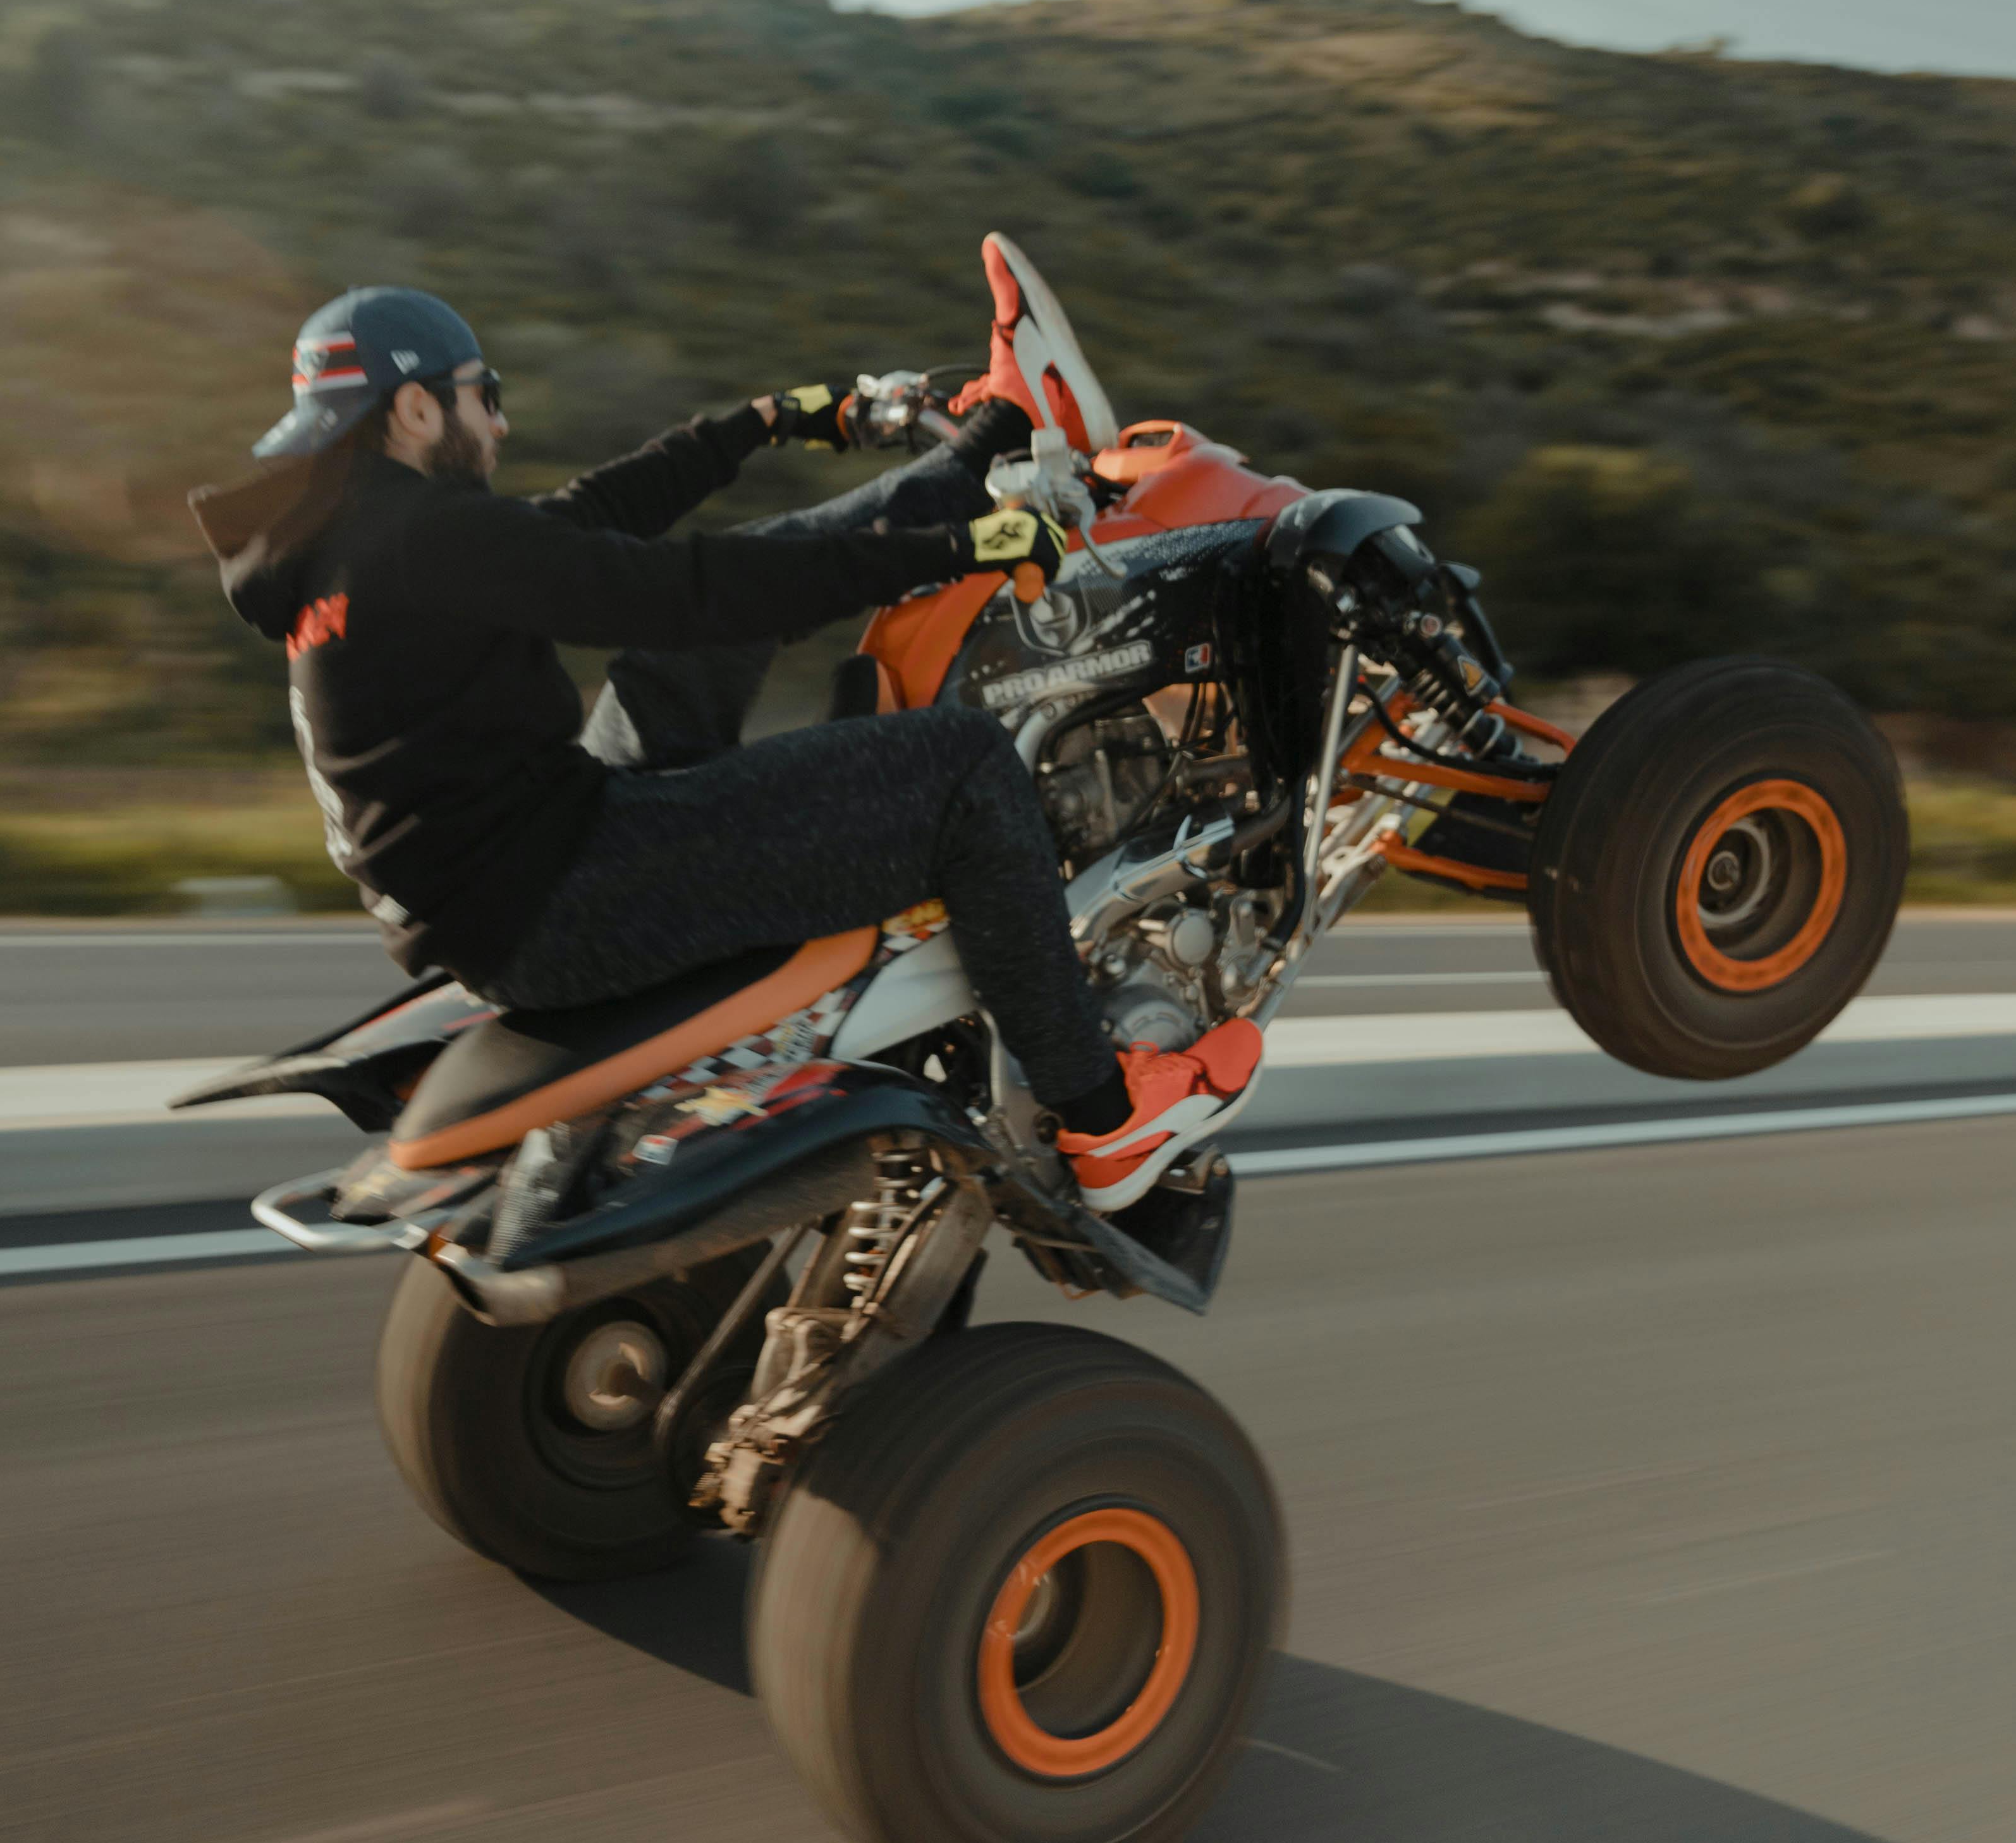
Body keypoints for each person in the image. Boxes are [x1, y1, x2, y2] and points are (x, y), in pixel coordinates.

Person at [190, 285, 1259, 1211]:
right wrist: (958, 551)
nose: (499, 424)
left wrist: (758, 423)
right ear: (417, 405)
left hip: (507, 880)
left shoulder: (361, 540)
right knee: (963, 768)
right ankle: (1105, 1116)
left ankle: (987, 451)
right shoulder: (418, 538)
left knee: (728, 600)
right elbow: (678, 593)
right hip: (557, 899)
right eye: (487, 393)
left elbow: (585, 523)